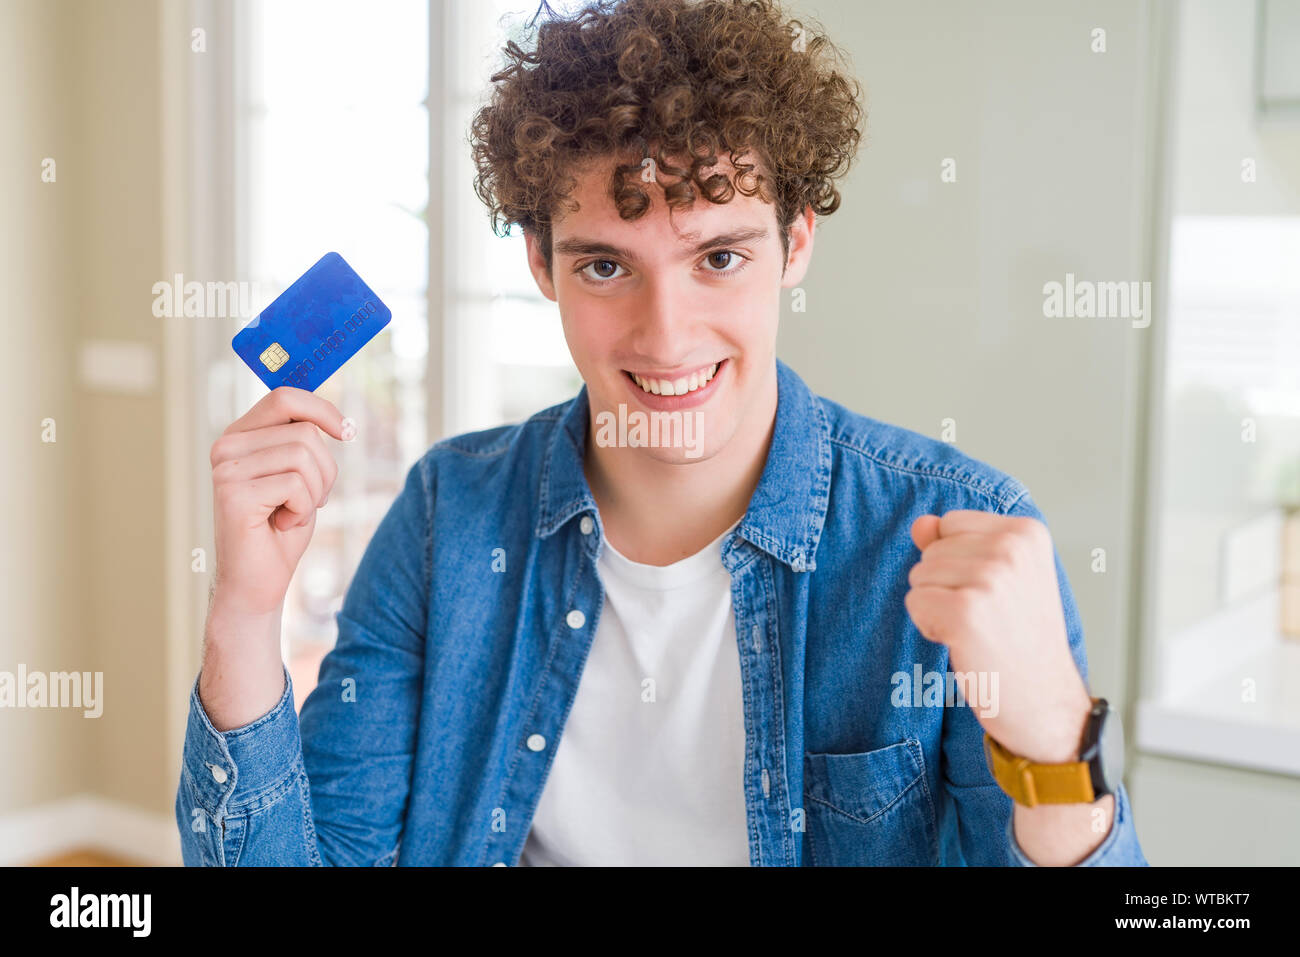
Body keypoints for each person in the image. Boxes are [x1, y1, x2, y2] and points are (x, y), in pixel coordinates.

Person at [176, 0, 1146, 866]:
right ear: (543, 264)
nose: (666, 334)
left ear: (796, 240)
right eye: (606, 267)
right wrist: (245, 617)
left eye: (718, 256)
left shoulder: (960, 529)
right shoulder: (446, 517)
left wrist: (1056, 744)